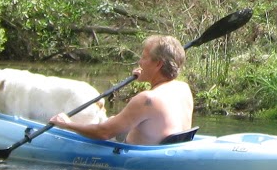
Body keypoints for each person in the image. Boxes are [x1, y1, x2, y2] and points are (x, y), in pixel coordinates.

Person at [49, 35, 193, 145]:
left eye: (144, 57)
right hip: (171, 149)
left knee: (106, 126)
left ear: (158, 64)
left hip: (140, 160)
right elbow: (156, 118)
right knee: (113, 121)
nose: (140, 62)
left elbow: (103, 133)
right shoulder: (184, 89)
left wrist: (67, 124)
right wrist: (147, 78)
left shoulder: (147, 99)